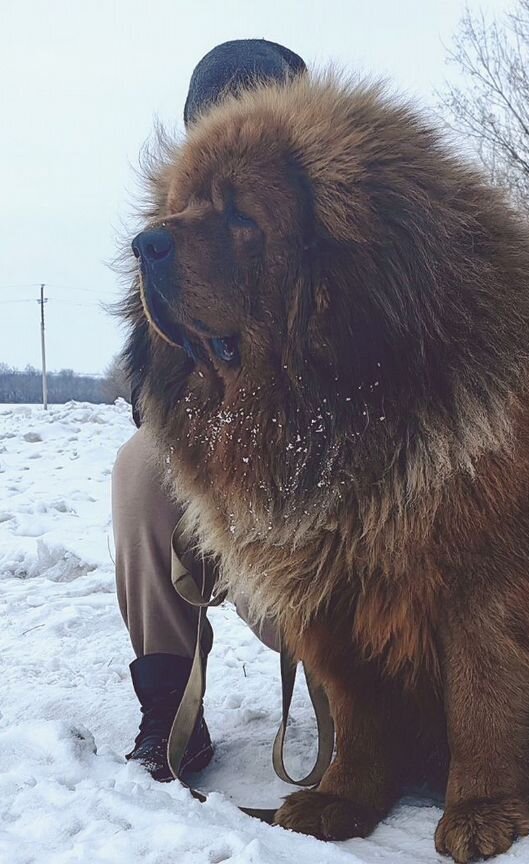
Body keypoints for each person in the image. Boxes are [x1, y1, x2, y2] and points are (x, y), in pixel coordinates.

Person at [112, 39, 308, 782]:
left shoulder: (336, 226)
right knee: (141, 466)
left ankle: (382, 712)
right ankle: (169, 709)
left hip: (327, 529)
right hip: (229, 517)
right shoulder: (165, 240)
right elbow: (150, 390)